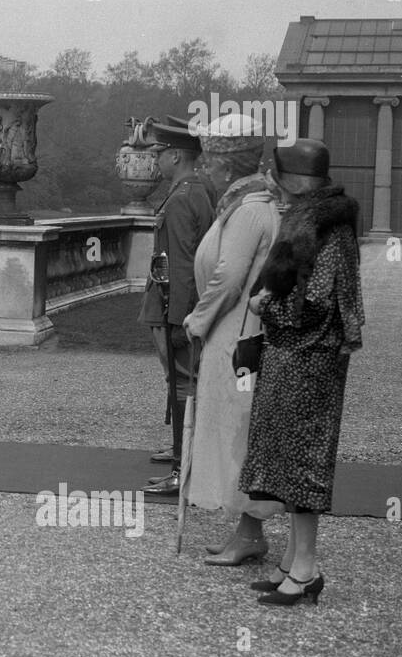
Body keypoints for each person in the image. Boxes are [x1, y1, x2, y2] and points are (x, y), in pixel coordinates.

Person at [240, 139, 364, 606]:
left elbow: (315, 304)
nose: (270, 187)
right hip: (294, 359)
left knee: (303, 462)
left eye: (274, 178)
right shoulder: (312, 219)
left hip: (309, 360)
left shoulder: (326, 228)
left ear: (288, 181)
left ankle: (307, 569)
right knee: (287, 461)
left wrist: (265, 304)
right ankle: (293, 563)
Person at [179, 117, 283, 565]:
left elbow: (229, 277)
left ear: (225, 165)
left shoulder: (249, 210)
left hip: (239, 336)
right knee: (234, 428)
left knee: (239, 432)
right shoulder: (247, 205)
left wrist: (198, 320)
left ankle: (250, 532)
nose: (205, 168)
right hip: (236, 331)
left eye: (211, 159)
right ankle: (245, 530)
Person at [137, 117, 214, 495]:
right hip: (169, 299)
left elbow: (183, 262)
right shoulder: (192, 190)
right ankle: (182, 452)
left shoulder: (184, 197)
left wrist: (179, 318)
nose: (157, 159)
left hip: (173, 303)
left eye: (161, 152)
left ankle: (183, 470)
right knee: (180, 382)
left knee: (183, 381)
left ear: (177, 156)